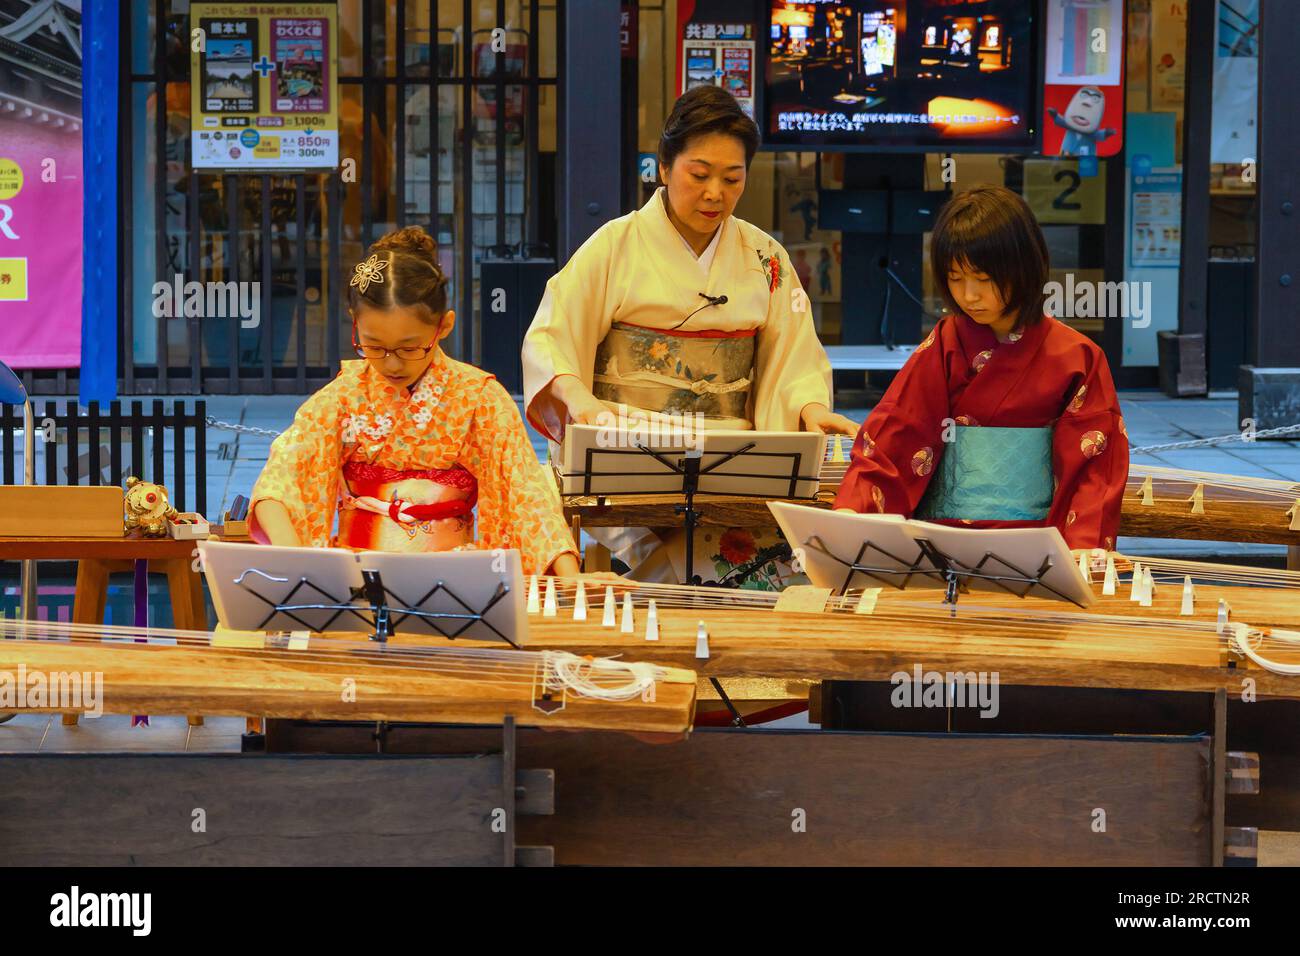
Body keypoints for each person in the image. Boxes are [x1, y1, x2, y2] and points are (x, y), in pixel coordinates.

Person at [521, 85, 855, 585]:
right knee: (707, 561)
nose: (715, 193)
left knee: (762, 554)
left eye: (732, 178)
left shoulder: (765, 258)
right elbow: (551, 336)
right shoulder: (613, 245)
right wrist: (578, 398)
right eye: (699, 174)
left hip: (732, 460)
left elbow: (794, 357)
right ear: (663, 166)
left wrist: (808, 407)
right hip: (629, 450)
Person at [251, 226, 587, 579]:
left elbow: (525, 493)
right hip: (356, 578)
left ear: (444, 326)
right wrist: (295, 561)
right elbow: (282, 481)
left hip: (454, 580)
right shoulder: (342, 398)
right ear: (355, 325)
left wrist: (571, 578)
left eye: (410, 348)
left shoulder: (479, 399)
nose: (392, 364)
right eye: (374, 346)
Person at [833, 185, 1129, 553]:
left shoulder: (1077, 357)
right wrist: (849, 526)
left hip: (1037, 546)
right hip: (940, 542)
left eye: (985, 280)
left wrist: (1080, 554)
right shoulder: (944, 346)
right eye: (956, 279)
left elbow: (1093, 472)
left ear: (1024, 267)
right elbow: (895, 439)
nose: (969, 295)